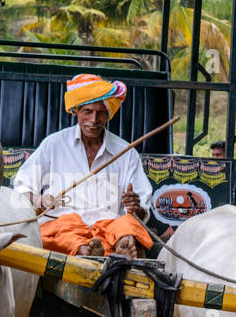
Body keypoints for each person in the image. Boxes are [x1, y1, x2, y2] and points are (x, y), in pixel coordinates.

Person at [13, 73, 155, 258]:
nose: (94, 120)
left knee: (127, 226)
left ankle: (121, 245)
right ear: (76, 111)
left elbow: (142, 207)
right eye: (87, 111)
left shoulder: (126, 153)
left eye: (101, 112)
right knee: (61, 230)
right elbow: (21, 186)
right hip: (65, 227)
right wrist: (40, 200)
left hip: (108, 228)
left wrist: (135, 207)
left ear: (108, 115)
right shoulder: (54, 144)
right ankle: (87, 252)